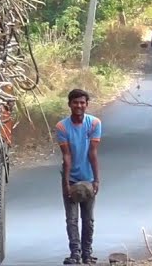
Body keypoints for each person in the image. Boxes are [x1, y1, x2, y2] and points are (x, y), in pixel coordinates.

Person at [57, 88, 102, 265]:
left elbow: (93, 153)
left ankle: (87, 254)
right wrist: (66, 183)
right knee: (72, 219)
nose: (79, 105)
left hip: (88, 179)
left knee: (88, 219)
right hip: (71, 179)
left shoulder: (94, 124)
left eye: (82, 102)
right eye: (75, 102)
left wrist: (96, 179)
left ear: (87, 105)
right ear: (69, 104)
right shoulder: (62, 126)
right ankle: (75, 253)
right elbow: (66, 157)